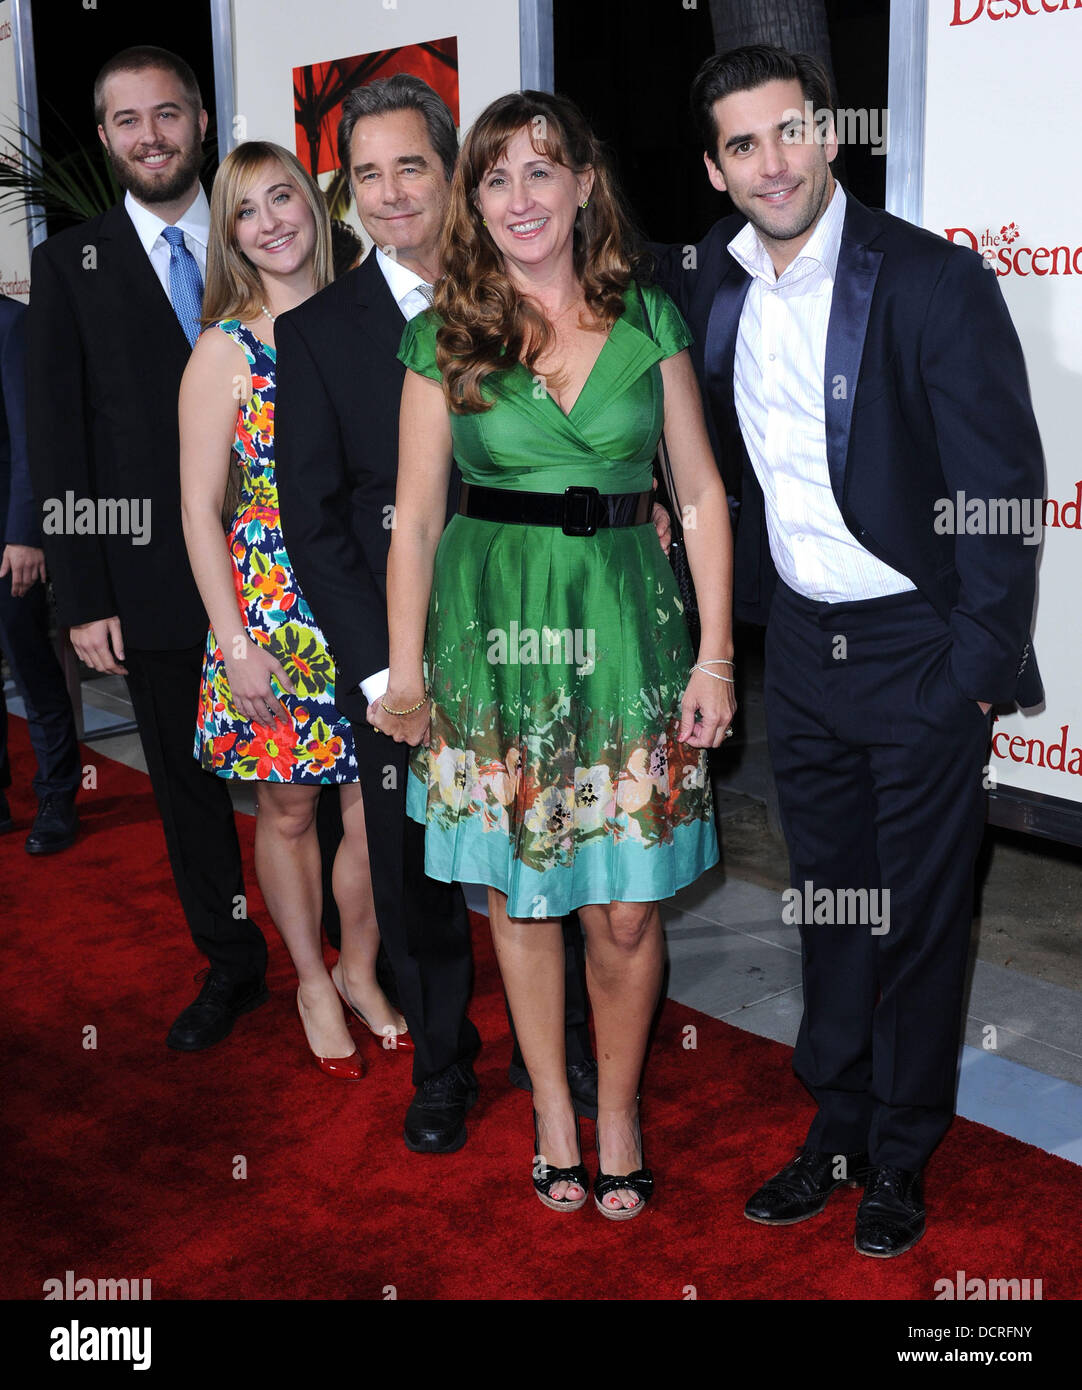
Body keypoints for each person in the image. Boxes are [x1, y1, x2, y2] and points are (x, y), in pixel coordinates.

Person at [652, 44, 1043, 1255]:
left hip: (916, 650)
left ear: (829, 134)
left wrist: (974, 671)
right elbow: (709, 453)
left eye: (786, 133)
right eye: (740, 144)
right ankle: (832, 1122)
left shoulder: (928, 281)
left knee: (920, 915)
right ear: (713, 168)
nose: (769, 163)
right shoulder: (707, 290)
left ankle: (900, 1148)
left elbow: (1001, 488)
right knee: (827, 904)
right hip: (800, 657)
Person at [276, 76, 660, 1151]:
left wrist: (642, 518)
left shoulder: (554, 281)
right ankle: (443, 1063)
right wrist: (382, 673)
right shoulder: (317, 332)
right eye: (366, 173)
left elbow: (634, 426)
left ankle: (583, 1052)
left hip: (571, 627)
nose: (392, 192)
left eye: (413, 166)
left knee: (577, 853)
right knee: (428, 878)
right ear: (343, 195)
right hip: (411, 652)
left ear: (454, 176)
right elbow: (318, 520)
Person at [372, 90, 734, 1219]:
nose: (518, 197)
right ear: (473, 203)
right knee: (522, 897)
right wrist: (406, 674)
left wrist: (717, 655)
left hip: (629, 631)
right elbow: (416, 518)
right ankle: (550, 1108)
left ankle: (617, 1108)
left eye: (541, 172)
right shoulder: (442, 334)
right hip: (494, 638)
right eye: (494, 178)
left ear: (584, 184)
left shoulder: (651, 322)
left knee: (623, 908)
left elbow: (704, 493)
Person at [26, 47, 269, 1049]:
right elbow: (58, 436)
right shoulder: (68, 265)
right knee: (186, 782)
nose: (150, 135)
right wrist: (83, 595)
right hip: (150, 578)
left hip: (287, 568)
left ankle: (354, 947)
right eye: (127, 121)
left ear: (201, 121)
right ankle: (232, 960)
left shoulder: (270, 236)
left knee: (327, 779)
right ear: (106, 139)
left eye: (167, 113)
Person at [179, 140, 412, 1079]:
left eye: (284, 197)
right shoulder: (224, 350)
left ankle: (359, 968)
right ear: (230, 236)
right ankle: (309, 978)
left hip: (365, 592)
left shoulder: (369, 316)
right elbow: (200, 508)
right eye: (246, 210)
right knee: (286, 809)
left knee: (371, 811)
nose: (272, 220)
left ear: (316, 208)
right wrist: (235, 644)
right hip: (270, 613)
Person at [0, 293, 80, 852]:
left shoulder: (12, 323)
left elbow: (32, 439)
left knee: (30, 667)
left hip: (7, 537)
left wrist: (27, 532)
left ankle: (57, 794)